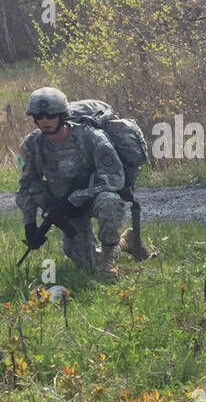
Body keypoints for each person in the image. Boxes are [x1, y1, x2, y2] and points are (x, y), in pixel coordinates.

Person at [16, 87, 126, 275]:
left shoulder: (91, 137)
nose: (44, 121)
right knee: (87, 265)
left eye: (50, 115)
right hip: (64, 209)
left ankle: (109, 256)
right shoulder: (32, 145)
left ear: (62, 116)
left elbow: (114, 177)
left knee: (110, 201)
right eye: (39, 116)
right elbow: (26, 185)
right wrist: (30, 224)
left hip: (93, 199)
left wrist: (78, 197)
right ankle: (125, 242)